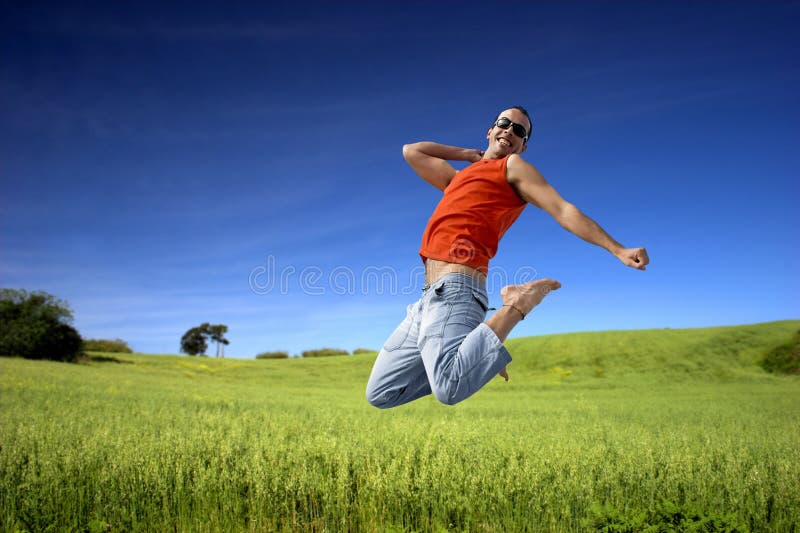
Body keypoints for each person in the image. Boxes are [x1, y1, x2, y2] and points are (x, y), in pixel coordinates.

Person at [366, 106, 649, 408]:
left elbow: (562, 209)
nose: (510, 132)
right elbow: (412, 151)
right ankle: (479, 355)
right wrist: (466, 154)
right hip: (426, 299)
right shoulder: (457, 180)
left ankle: (517, 303)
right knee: (382, 393)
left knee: (448, 389)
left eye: (519, 131)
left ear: (523, 145)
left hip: (458, 289)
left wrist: (617, 248)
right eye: (504, 124)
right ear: (490, 130)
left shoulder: (512, 167)